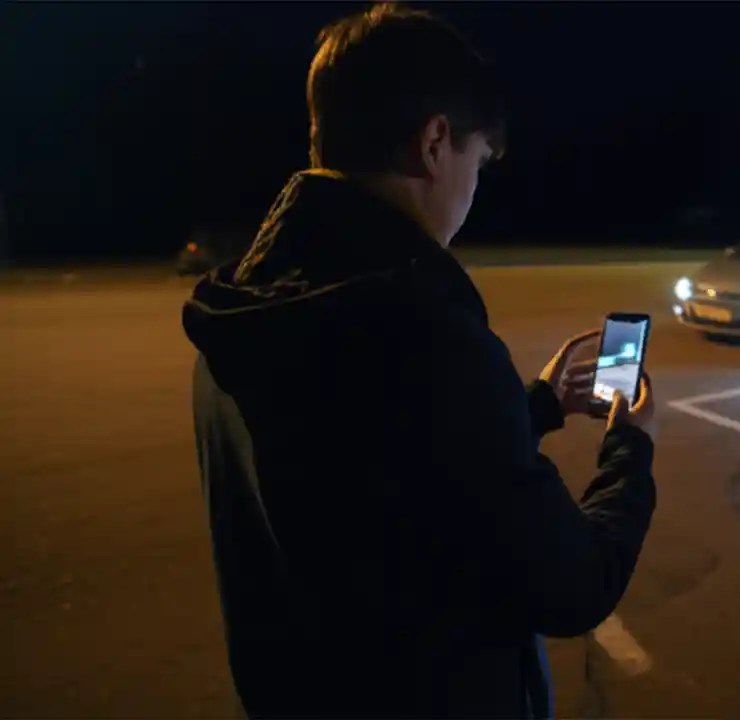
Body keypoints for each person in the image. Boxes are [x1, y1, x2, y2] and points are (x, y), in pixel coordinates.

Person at [181, 5, 657, 718]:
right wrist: (635, 447)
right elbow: (572, 585)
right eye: (478, 163)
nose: (471, 192)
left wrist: (533, 407)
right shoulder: (427, 337)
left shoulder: (240, 316)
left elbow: (375, 473)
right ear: (436, 142)